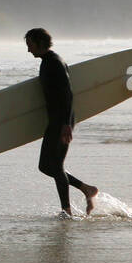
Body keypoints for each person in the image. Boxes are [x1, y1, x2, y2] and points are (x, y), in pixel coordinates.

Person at [25, 27, 98, 216]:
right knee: (45, 166)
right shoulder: (48, 61)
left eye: (30, 45)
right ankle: (86, 189)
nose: (28, 50)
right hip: (57, 120)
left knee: (55, 167)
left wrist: (66, 124)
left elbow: (67, 94)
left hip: (61, 121)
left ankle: (66, 211)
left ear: (40, 42)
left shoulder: (54, 62)